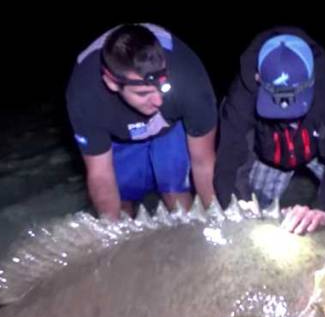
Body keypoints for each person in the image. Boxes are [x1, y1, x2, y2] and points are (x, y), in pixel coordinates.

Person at [214, 27, 325, 243]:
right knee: (250, 225)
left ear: (313, 79)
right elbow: (231, 160)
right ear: (257, 79)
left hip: (320, 145)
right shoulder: (241, 95)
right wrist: (242, 202)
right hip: (271, 152)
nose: (286, 118)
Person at [66, 23, 217, 220]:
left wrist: (218, 222)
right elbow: (100, 175)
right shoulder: (85, 95)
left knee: (176, 194)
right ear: (112, 82)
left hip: (170, 124)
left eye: (163, 88)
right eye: (143, 93)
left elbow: (204, 162)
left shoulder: (189, 78)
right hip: (118, 131)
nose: (158, 101)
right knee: (121, 204)